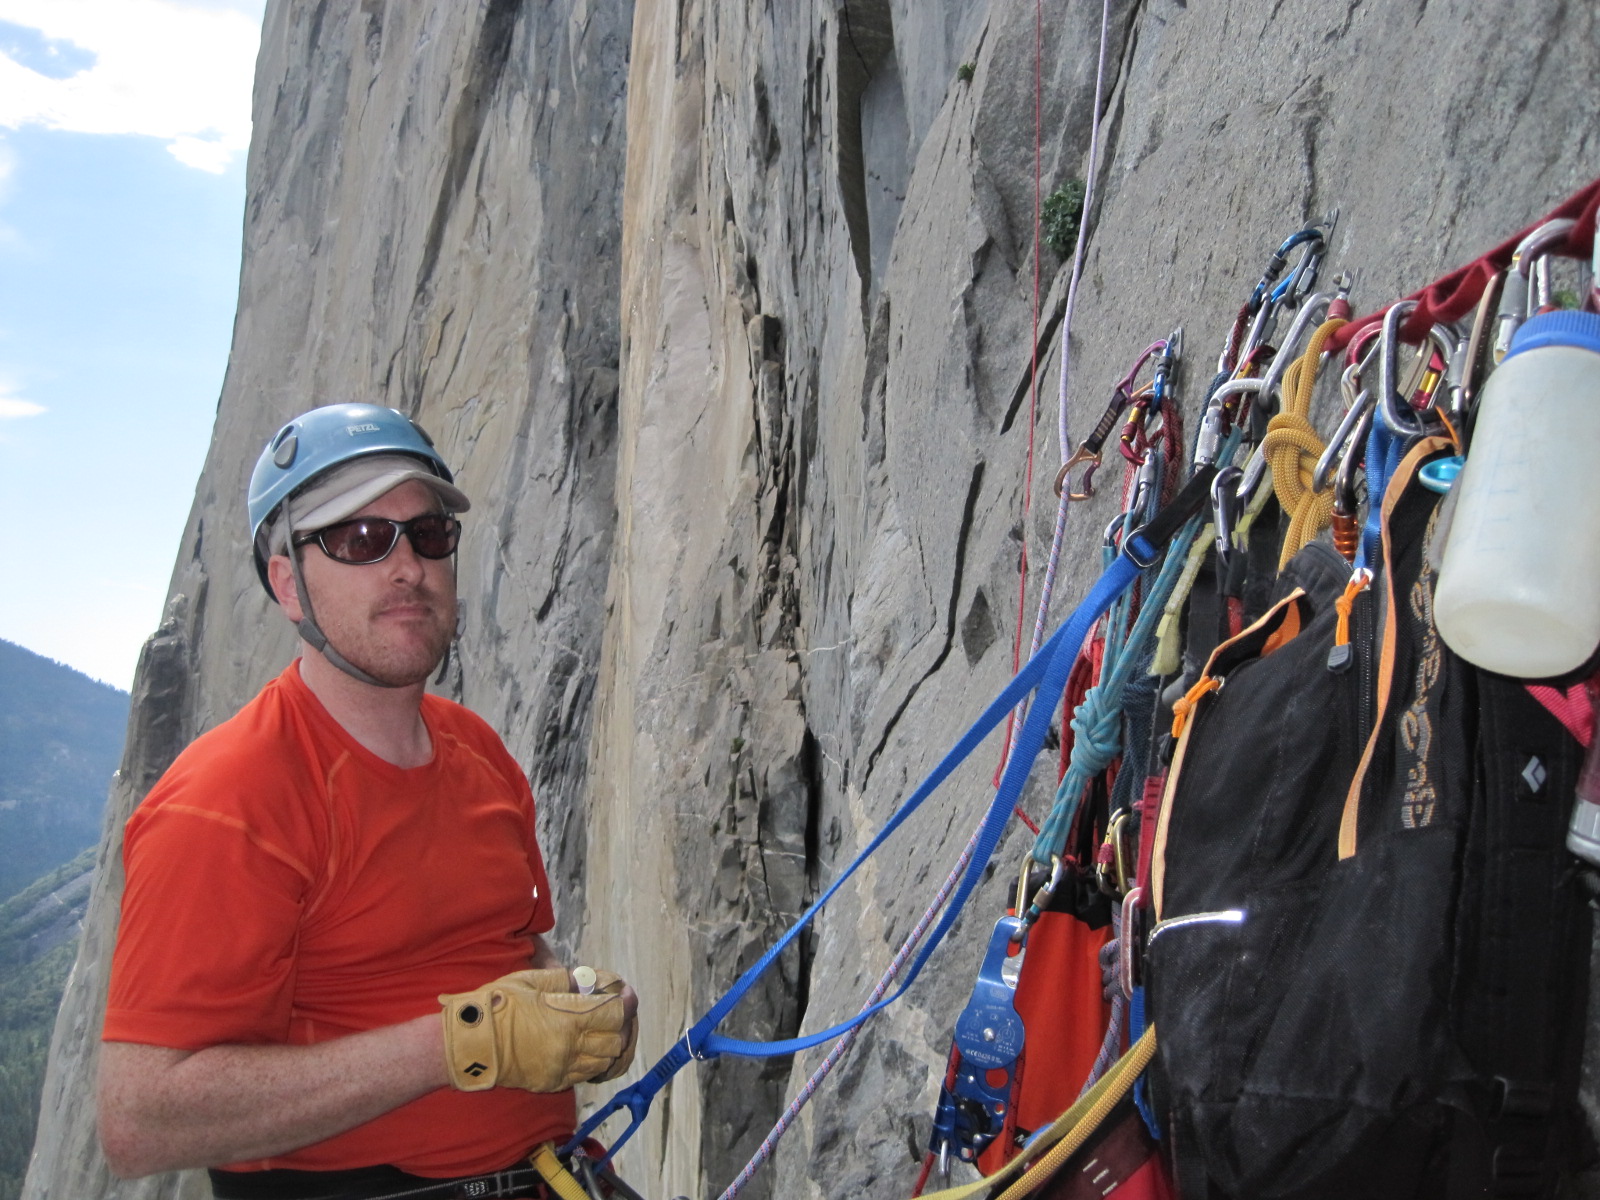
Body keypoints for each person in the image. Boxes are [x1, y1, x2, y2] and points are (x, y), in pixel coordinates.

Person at [97, 403, 638, 1199]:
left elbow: (517, 953)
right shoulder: (228, 801)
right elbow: (140, 1120)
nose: (407, 567)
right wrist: (460, 1045)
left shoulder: (478, 754)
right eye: (359, 539)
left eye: (427, 534)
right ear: (288, 583)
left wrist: (574, 1012)